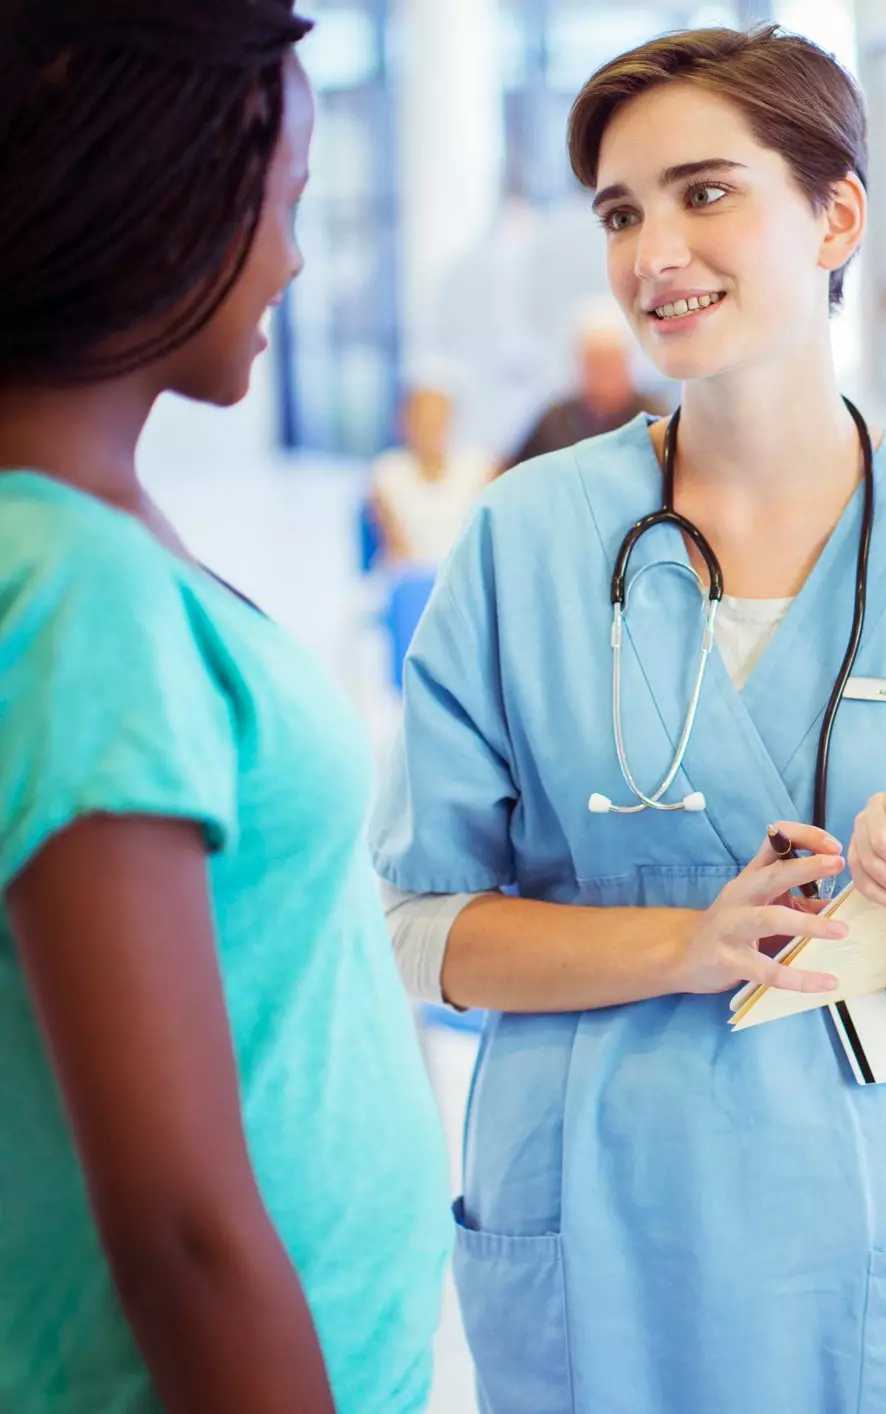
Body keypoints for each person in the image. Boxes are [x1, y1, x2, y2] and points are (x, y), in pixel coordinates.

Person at [372, 27, 886, 1413]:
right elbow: (422, 930)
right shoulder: (527, 539)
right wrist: (683, 943)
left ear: (835, 214)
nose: (654, 252)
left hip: (875, 1214)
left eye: (705, 194)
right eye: (622, 212)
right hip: (598, 1204)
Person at [0, 7, 450, 1413]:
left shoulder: (91, 534)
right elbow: (182, 1230)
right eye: (288, 202)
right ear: (167, 199)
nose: (297, 258)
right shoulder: (78, 590)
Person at [502, 311, 665, 469]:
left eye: (611, 364)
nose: (605, 375)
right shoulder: (554, 422)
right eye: (596, 365)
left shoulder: (653, 417)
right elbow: (515, 472)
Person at [369, 383, 495, 568]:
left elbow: (484, 538)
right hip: (410, 577)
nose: (430, 428)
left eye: (437, 419)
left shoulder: (479, 466)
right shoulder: (386, 472)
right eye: (423, 420)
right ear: (405, 423)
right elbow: (397, 545)